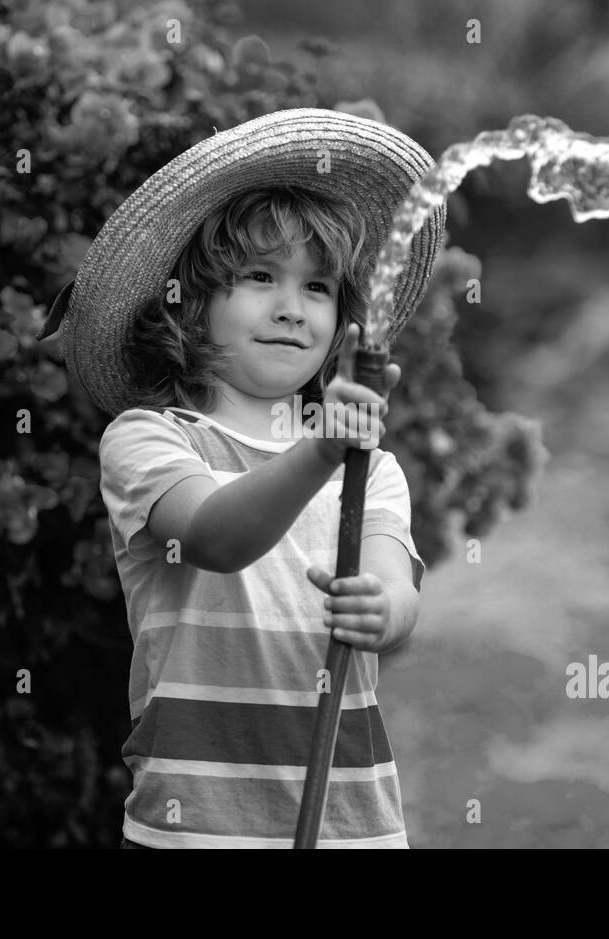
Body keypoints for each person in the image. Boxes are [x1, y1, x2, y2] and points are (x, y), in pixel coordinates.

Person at [38, 108, 446, 848]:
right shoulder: (150, 439)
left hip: (349, 823)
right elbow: (214, 536)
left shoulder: (370, 469)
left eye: (318, 287)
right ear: (188, 306)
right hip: (195, 824)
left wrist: (380, 612)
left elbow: (398, 592)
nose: (292, 308)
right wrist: (319, 451)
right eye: (259, 277)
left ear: (345, 328)